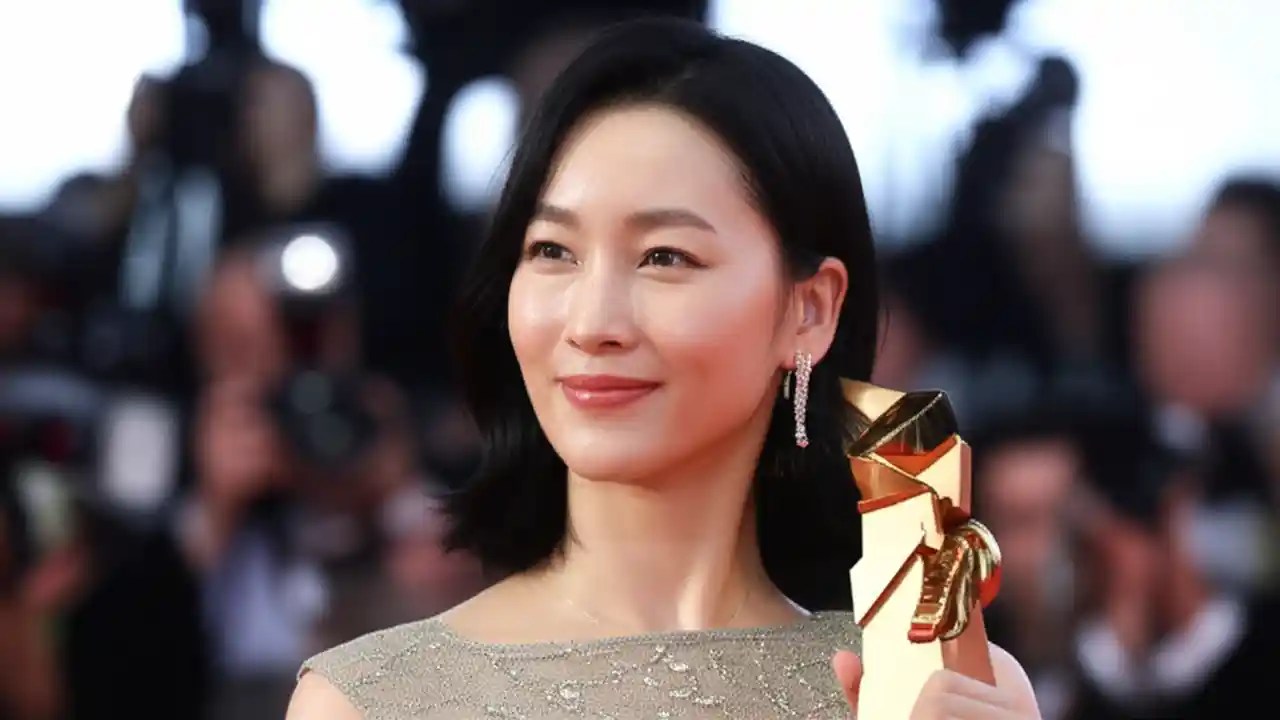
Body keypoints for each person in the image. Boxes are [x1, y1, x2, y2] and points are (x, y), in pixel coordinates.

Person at [287, 17, 1040, 719]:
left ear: (809, 310)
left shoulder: (935, 692)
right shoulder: (369, 702)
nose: (592, 323)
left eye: (664, 257)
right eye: (553, 252)